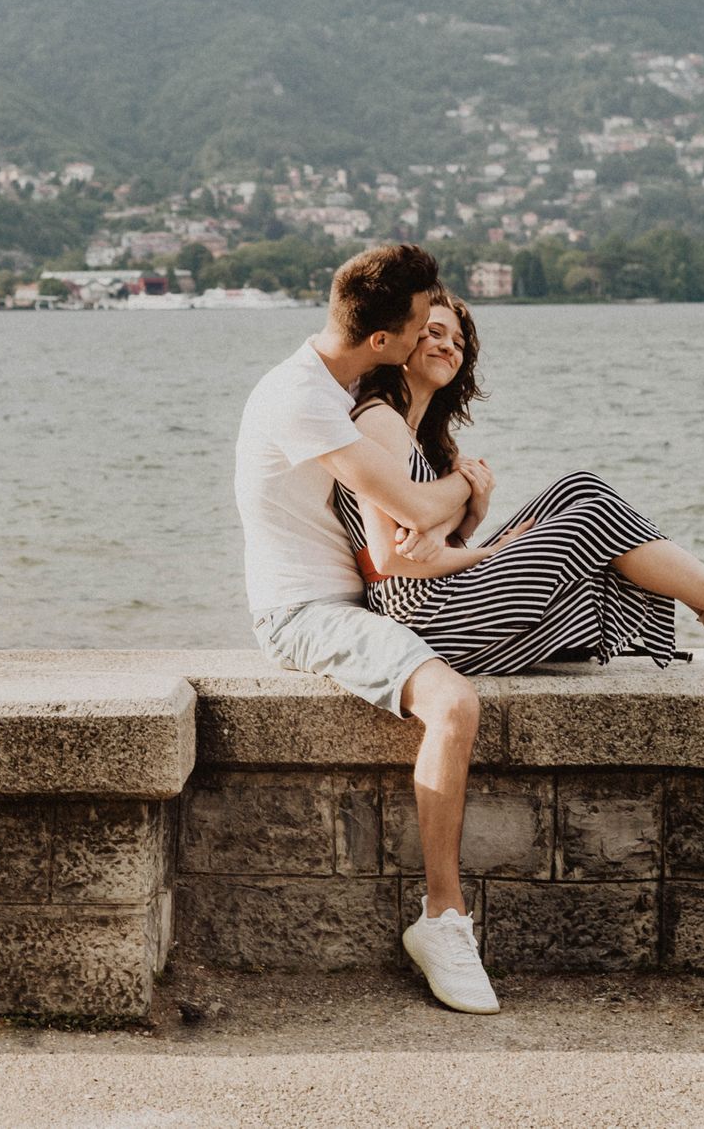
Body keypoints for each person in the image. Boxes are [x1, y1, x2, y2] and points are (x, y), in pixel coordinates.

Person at [234, 243, 498, 1015]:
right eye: (420, 325)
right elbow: (413, 512)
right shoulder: (302, 398)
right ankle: (442, 921)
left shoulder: (331, 383)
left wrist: (456, 506)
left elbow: (418, 520)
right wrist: (471, 485)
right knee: (453, 704)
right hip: (304, 613)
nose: (428, 338)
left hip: (359, 601)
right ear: (380, 340)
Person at [338, 296, 704, 678]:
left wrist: (473, 519)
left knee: (579, 488)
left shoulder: (431, 441)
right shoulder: (379, 421)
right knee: (589, 521)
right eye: (434, 332)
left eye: (459, 340)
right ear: (402, 338)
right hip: (426, 623)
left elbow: (431, 548)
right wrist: (491, 551)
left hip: (449, 597)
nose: (450, 345)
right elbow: (392, 562)